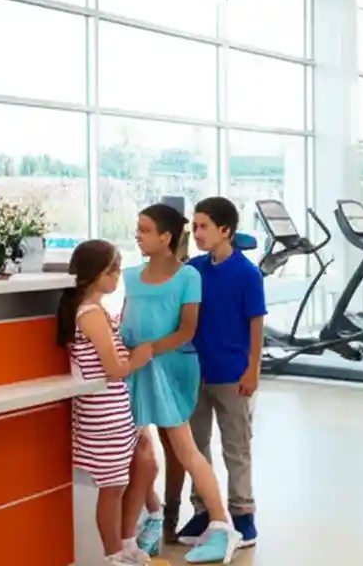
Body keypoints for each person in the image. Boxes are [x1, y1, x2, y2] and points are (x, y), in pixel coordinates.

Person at [119, 204, 240, 563]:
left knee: (185, 449)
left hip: (171, 368)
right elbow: (125, 320)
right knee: (137, 448)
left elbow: (187, 328)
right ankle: (152, 516)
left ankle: (222, 524)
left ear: (165, 237)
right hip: (136, 368)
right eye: (137, 229)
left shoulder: (189, 278)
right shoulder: (129, 275)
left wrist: (150, 350)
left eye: (144, 230)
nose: (137, 236)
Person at [167, 197, 265, 549]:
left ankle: (242, 516)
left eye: (204, 226)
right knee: (197, 447)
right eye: (194, 226)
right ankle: (204, 510)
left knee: (236, 448)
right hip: (196, 373)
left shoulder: (247, 273)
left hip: (233, 374)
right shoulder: (194, 269)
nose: (197, 233)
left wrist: (252, 370)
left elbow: (256, 326)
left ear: (226, 231)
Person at [57, 240, 159, 566]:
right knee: (112, 487)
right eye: (112, 269)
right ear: (95, 274)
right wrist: (139, 358)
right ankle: (113, 553)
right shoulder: (90, 314)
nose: (117, 275)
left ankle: (124, 545)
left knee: (137, 467)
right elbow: (114, 369)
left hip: (112, 408)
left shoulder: (90, 311)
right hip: (106, 411)